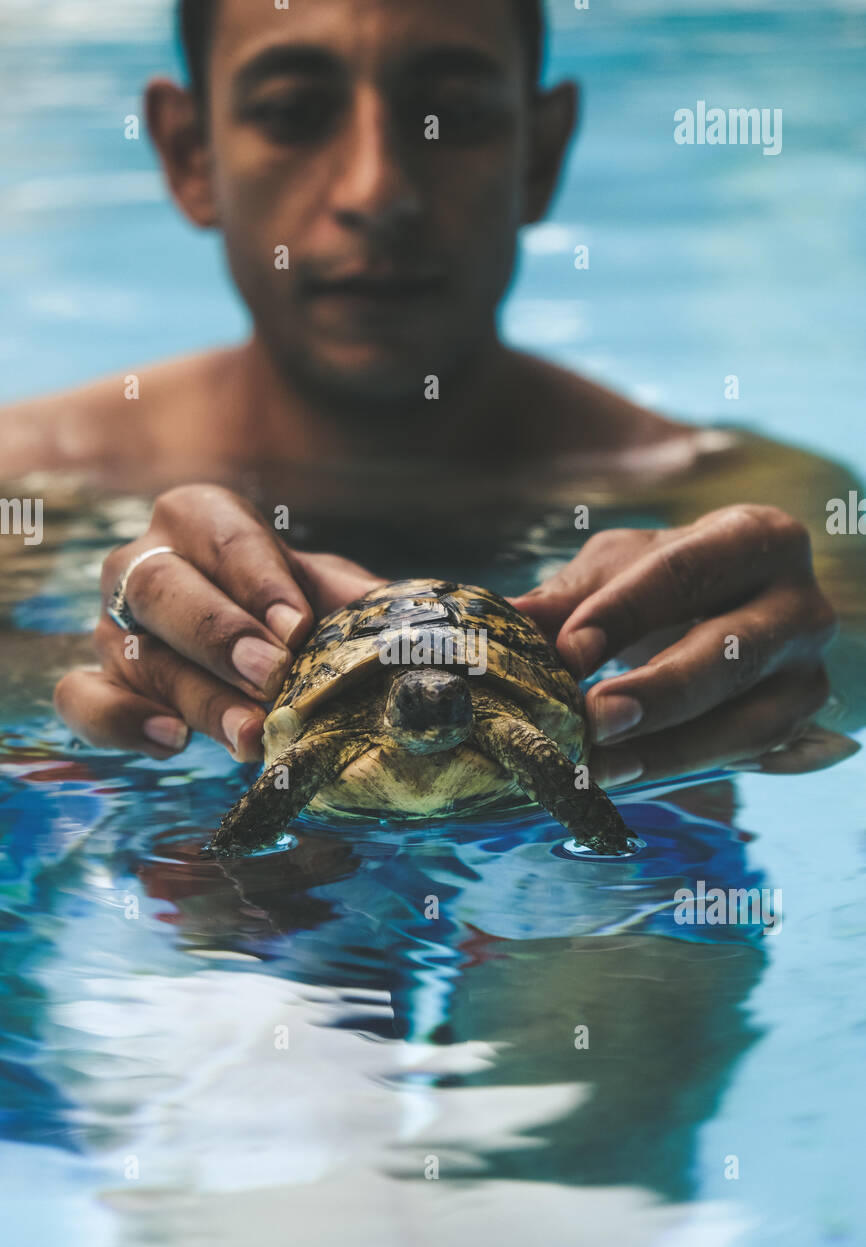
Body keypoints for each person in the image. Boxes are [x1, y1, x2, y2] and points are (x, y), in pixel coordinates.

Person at [0, 0, 858, 780]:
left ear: (542, 151)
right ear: (191, 154)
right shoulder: (29, 481)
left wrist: (789, 660)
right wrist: (98, 661)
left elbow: (844, 672)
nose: (378, 192)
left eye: (454, 116)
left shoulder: (729, 500)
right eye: (294, 113)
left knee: (654, 898)